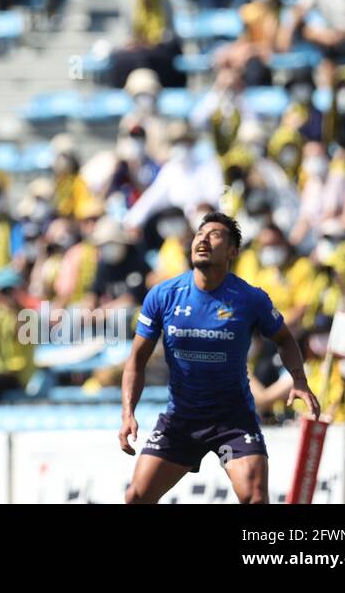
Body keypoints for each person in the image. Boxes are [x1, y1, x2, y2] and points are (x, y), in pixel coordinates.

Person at [120, 212, 319, 503]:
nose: (203, 238)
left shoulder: (250, 299)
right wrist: (128, 413)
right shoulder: (163, 295)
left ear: (232, 251)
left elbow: (285, 339)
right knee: (136, 497)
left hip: (233, 421)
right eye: (200, 233)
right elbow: (136, 360)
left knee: (254, 496)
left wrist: (299, 380)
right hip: (181, 420)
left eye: (215, 234)